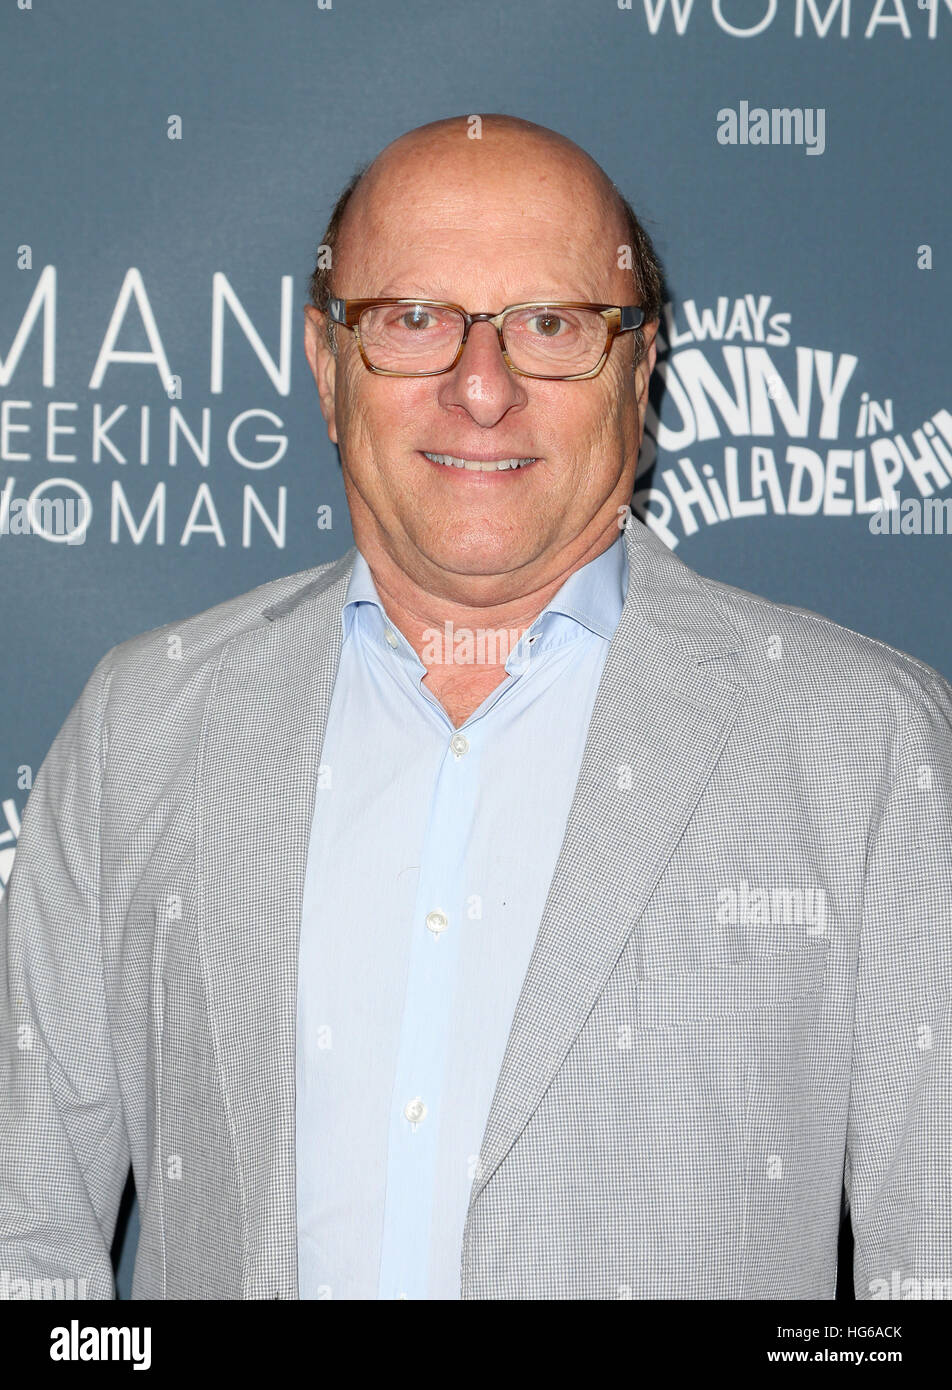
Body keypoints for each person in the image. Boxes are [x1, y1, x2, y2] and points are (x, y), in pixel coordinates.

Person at [1, 115, 950, 1301]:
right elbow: (25, 1255)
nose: (482, 387)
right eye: (413, 320)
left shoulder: (870, 750)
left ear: (640, 370)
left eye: (550, 324)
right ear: (324, 359)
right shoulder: (137, 724)